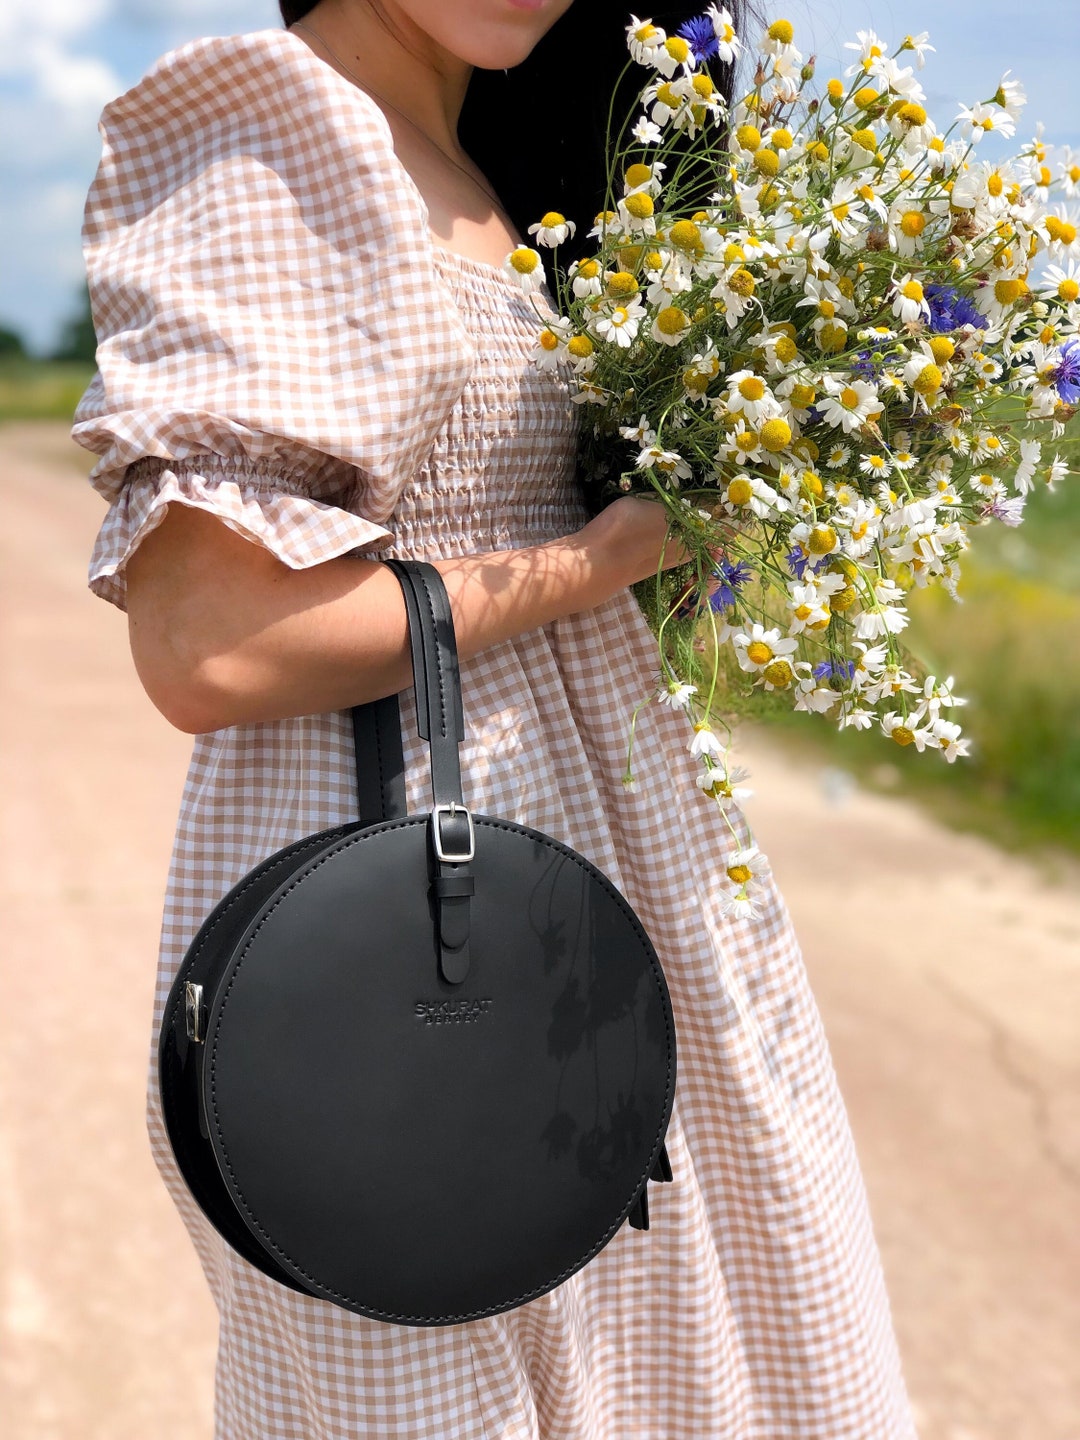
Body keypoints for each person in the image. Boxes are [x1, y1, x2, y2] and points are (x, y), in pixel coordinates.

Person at [73, 2, 918, 1435]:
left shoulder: (486, 164)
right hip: (402, 877)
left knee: (681, 1336)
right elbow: (210, 645)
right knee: (422, 1332)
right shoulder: (275, 115)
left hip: (606, 859)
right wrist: (600, 562)